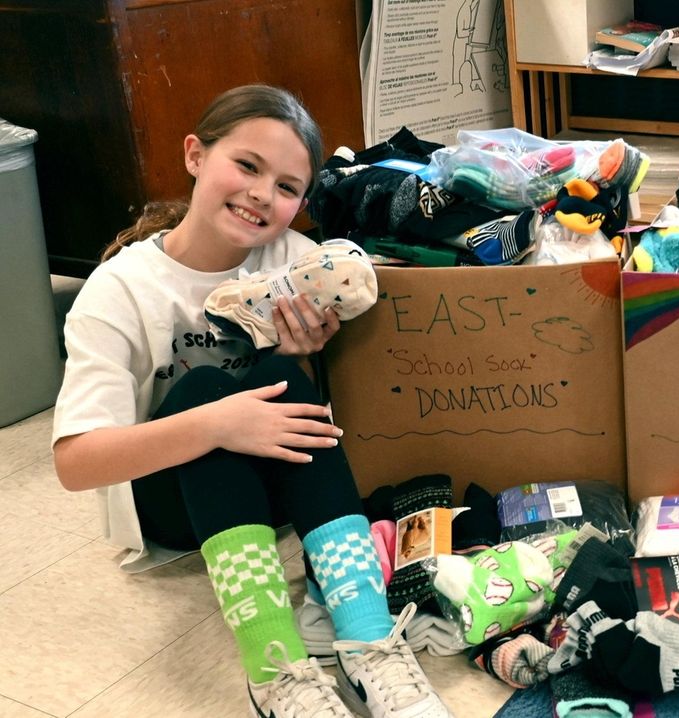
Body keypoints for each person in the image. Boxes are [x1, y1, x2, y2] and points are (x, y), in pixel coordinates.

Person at [52, 85, 454, 718]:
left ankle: (370, 641)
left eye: (289, 187)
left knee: (282, 378)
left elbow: (327, 408)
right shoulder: (119, 289)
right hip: (176, 506)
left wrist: (302, 358)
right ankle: (277, 672)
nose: (264, 195)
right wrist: (217, 424)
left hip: (281, 503)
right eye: (247, 166)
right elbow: (76, 463)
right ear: (195, 155)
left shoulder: (295, 262)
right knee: (203, 390)